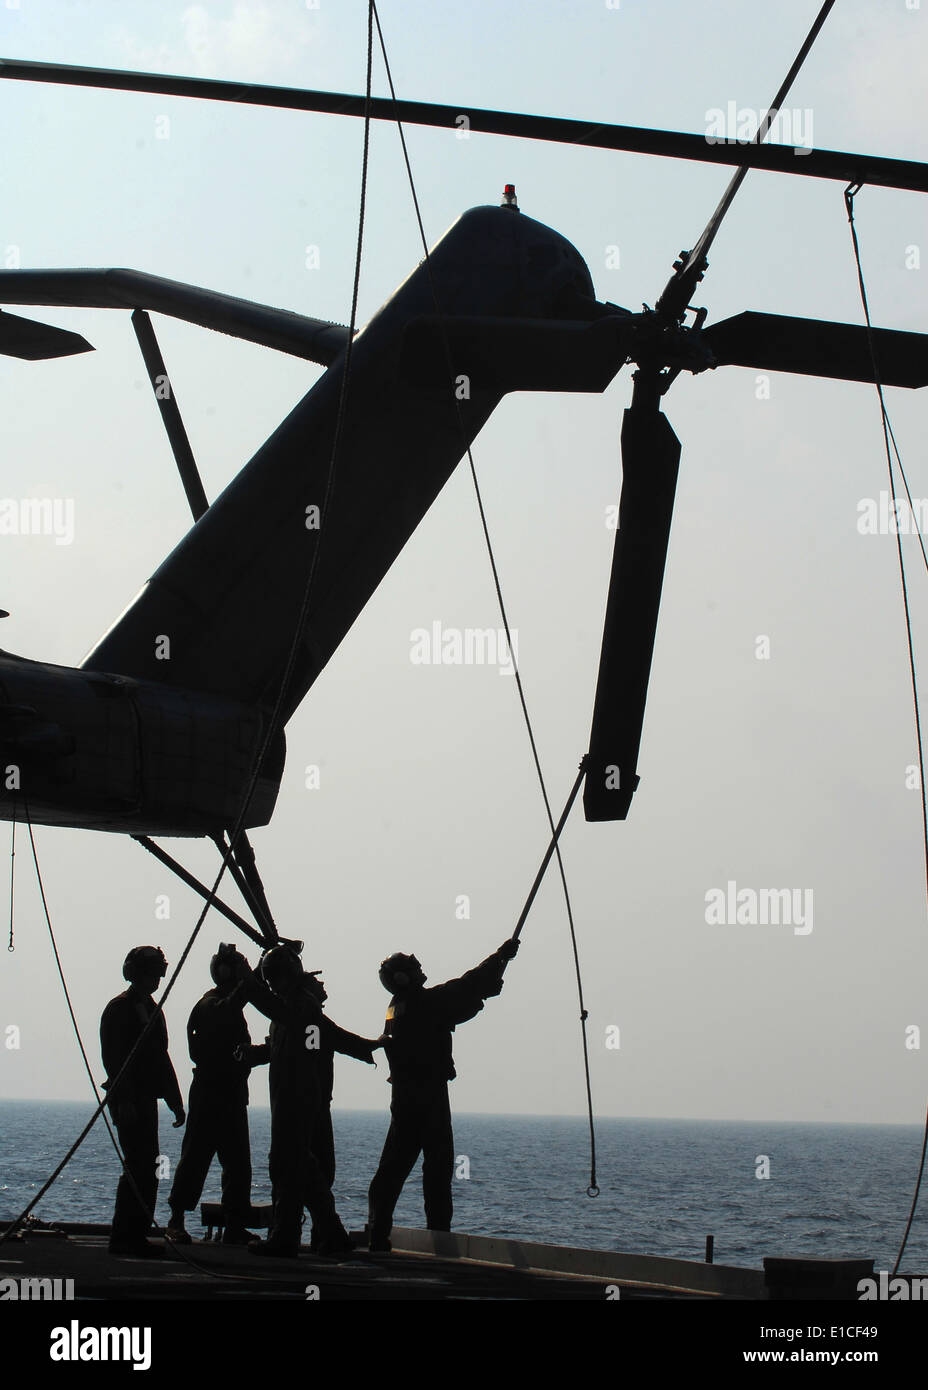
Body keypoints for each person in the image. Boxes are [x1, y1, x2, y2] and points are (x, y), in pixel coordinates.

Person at [367, 939, 518, 1252]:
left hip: (406, 1097)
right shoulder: (422, 1003)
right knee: (436, 1171)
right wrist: (498, 958)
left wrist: (489, 979)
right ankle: (439, 1237)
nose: (421, 970)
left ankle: (378, 1233)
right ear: (403, 977)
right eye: (414, 968)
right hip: (428, 1096)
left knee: (392, 1170)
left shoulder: (399, 1006)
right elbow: (464, 988)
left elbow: (462, 996)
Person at [240, 945, 378, 1257]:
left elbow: (294, 1025)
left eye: (273, 980)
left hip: (297, 1097)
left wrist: (249, 984)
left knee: (292, 1165)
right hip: (292, 1097)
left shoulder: (300, 1007)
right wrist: (255, 1054)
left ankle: (292, 1235)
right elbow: (286, 1042)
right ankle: (322, 1234)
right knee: (298, 1167)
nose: (273, 986)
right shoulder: (294, 1008)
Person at [165, 943, 263, 1245]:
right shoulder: (211, 1006)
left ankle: (235, 1225)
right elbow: (231, 1008)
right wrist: (255, 974)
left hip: (231, 1095)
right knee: (195, 1159)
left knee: (237, 1165)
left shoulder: (224, 1006)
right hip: (210, 1095)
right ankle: (176, 1220)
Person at [100, 945, 185, 1257]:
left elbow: (160, 1058)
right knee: (138, 1166)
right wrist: (123, 1100)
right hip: (129, 1099)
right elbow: (114, 1058)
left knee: (147, 1166)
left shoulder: (152, 1010)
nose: (158, 979)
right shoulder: (119, 1009)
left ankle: (134, 1234)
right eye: (153, 973)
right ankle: (124, 1237)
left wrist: (175, 1100)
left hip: (145, 1098)